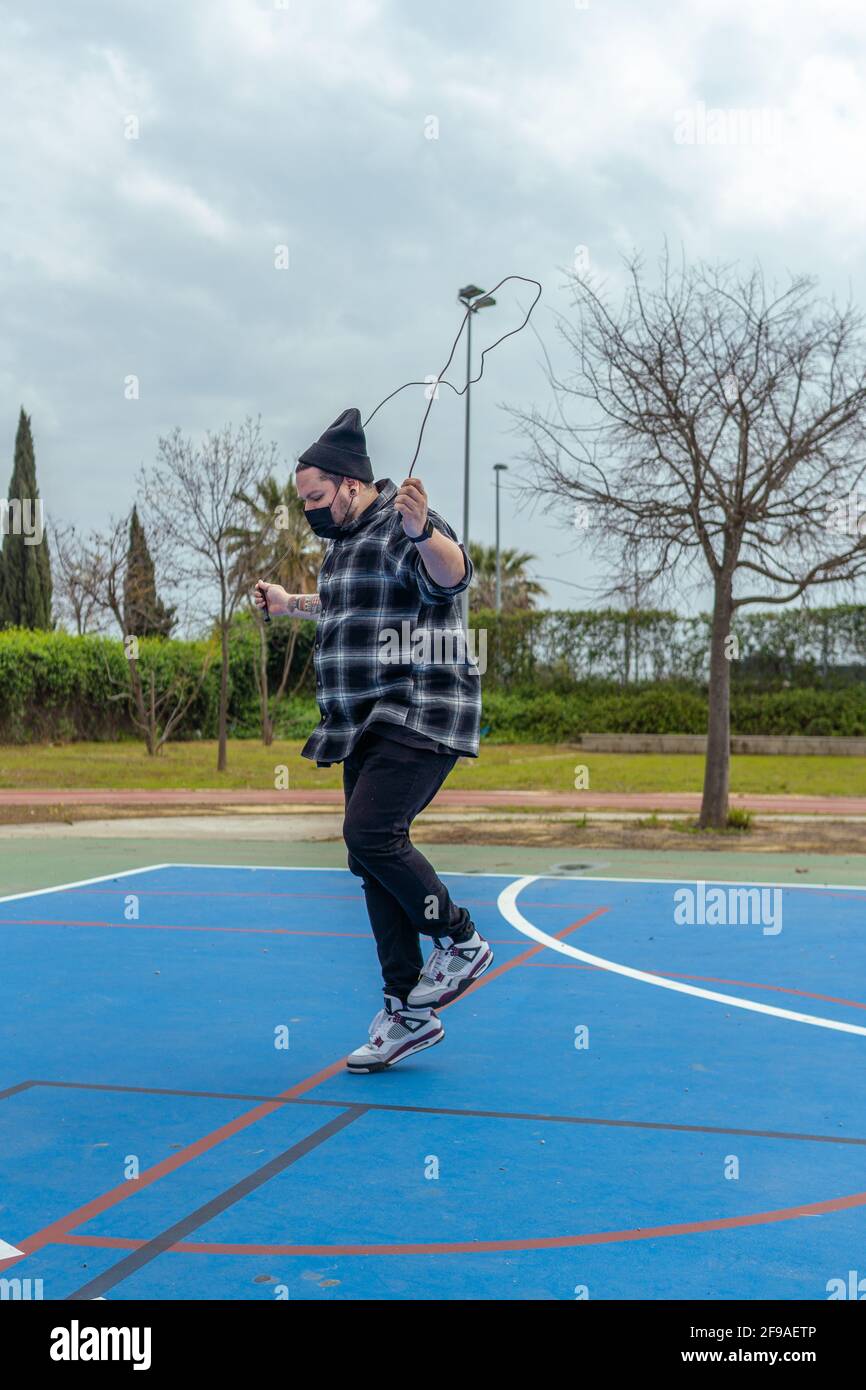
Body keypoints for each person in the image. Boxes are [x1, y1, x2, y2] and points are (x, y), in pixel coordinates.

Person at [254, 407, 493, 1072]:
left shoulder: (400, 521)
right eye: (303, 502)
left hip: (417, 711)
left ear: (351, 484)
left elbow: (453, 575)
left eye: (316, 498)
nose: (309, 511)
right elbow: (342, 604)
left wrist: (421, 531)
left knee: (370, 835)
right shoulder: (341, 545)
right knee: (369, 861)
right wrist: (286, 602)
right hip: (359, 722)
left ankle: (461, 939)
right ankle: (406, 1010)